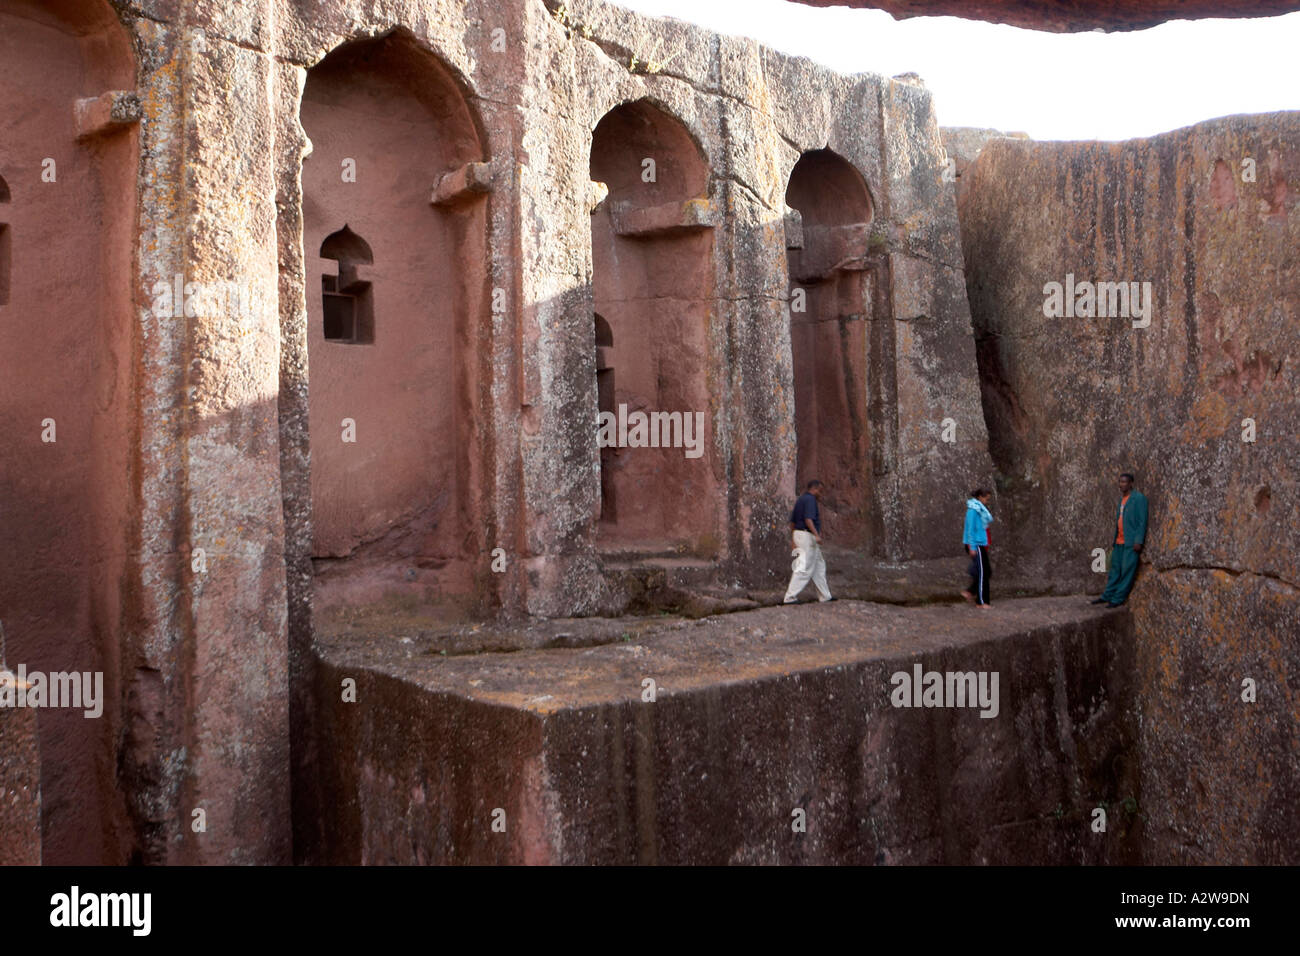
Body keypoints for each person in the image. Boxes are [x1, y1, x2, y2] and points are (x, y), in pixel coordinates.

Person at [1092, 471, 1148, 608]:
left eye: (1124, 482)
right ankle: (1107, 595)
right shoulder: (1121, 500)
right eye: (1120, 482)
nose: (1121, 484)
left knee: (1127, 572)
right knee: (1114, 570)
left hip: (1131, 543)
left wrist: (1138, 541)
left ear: (1130, 484)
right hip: (1118, 542)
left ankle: (1117, 599)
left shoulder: (1139, 498)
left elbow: (1142, 521)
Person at [783, 480, 832, 604]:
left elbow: (792, 522)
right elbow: (808, 519)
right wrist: (817, 535)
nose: (821, 494)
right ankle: (790, 597)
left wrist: (793, 539)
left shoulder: (801, 499)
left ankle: (825, 596)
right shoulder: (810, 500)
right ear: (814, 489)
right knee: (804, 566)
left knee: (819, 565)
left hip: (799, 534)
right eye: (820, 491)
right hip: (807, 535)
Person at [961, 488, 994, 609]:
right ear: (980, 497)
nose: (987, 501)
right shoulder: (973, 510)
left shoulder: (980, 509)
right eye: (986, 498)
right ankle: (981, 602)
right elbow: (970, 530)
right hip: (976, 544)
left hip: (981, 543)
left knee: (986, 571)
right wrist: (973, 547)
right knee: (983, 573)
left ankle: (971, 592)